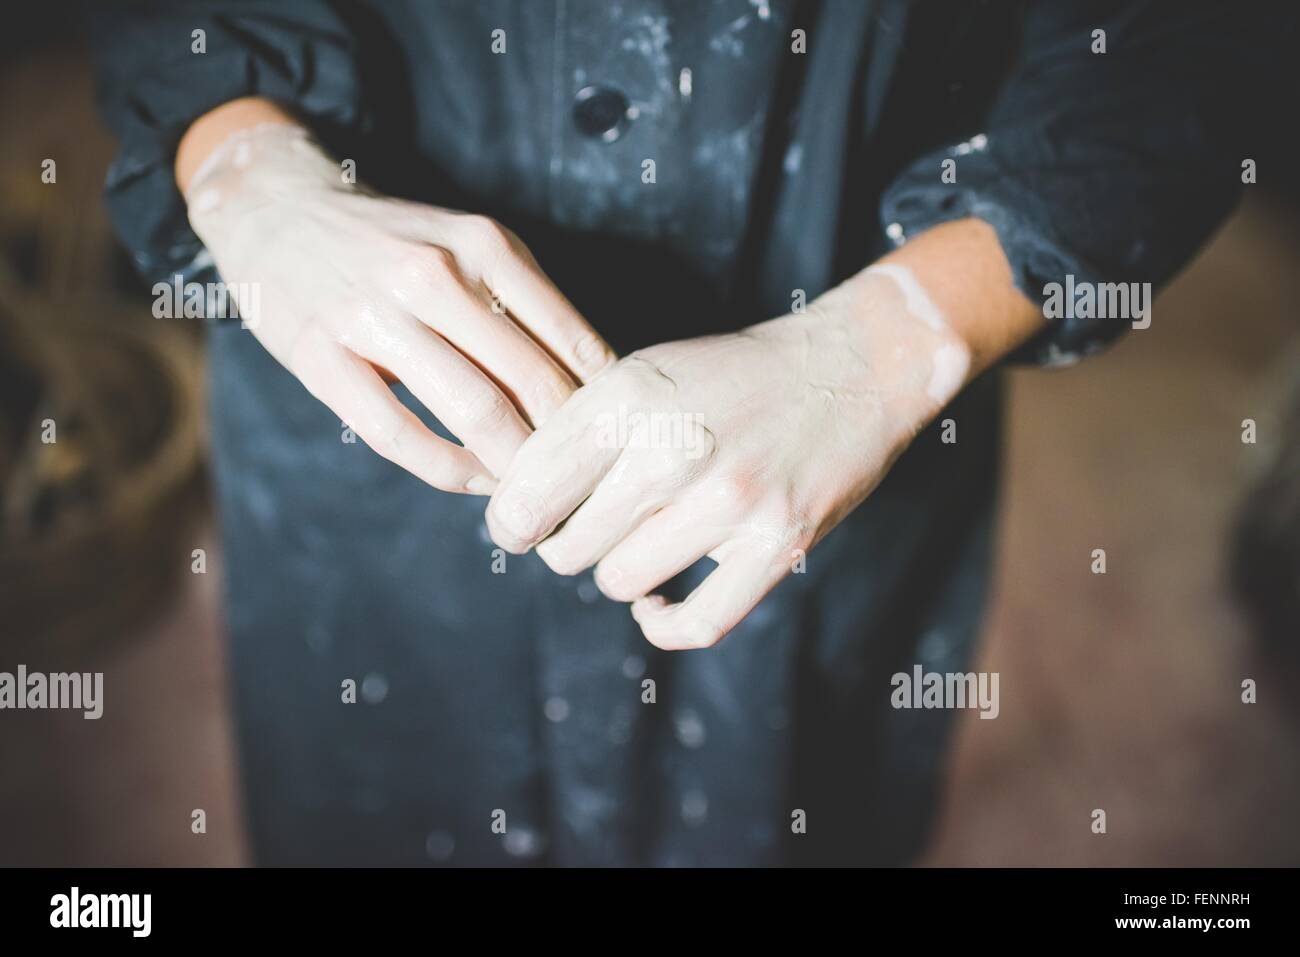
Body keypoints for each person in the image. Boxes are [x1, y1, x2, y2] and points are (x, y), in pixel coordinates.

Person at [92, 0, 1271, 865]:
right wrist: (241, 168)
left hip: (833, 426)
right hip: (371, 427)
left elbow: (1182, 42)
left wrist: (896, 339)